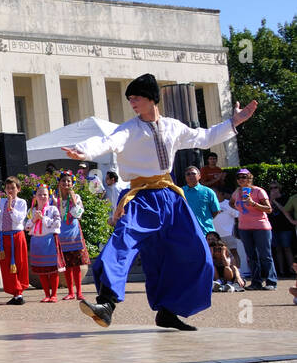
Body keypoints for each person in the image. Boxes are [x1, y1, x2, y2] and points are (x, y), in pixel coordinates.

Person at [64, 73, 256, 331]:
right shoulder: (129, 129)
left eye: (136, 97)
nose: (131, 102)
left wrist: (235, 121)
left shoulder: (173, 126)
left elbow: (205, 137)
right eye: (129, 98)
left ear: (152, 98)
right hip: (140, 196)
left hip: (171, 197)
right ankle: (106, 303)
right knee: (123, 242)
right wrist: (83, 150)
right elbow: (108, 141)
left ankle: (168, 311)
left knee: (196, 253)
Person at [231, 169, 275, 291]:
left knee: (265, 255)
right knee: (251, 256)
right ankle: (256, 282)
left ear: (249, 178)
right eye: (239, 177)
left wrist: (253, 204)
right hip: (244, 228)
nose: (241, 179)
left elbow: (269, 209)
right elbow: (231, 203)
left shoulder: (258, 191)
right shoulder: (236, 192)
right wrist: (239, 211)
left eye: (244, 177)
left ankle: (271, 281)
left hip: (261, 227)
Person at [0, 177, 29, 304]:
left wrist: (10, 206)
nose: (10, 191)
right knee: (6, 265)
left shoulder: (21, 202)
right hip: (4, 237)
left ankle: (19, 292)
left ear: (18, 189)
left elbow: (18, 219)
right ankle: (15, 293)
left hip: (16, 236)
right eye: (8, 188)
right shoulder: (1, 201)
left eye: (13, 188)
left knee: (18, 263)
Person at [26, 184, 64, 302]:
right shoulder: (32, 211)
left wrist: (42, 218)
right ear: (35, 196)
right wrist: (34, 219)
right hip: (37, 241)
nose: (42, 196)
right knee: (41, 270)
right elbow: (27, 227)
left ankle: (54, 294)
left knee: (52, 269)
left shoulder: (53, 209)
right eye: (40, 194)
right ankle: (47, 294)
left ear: (49, 196)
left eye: (45, 194)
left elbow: (57, 224)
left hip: (49, 240)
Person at [56, 171, 88, 300]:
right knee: (67, 265)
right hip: (62, 234)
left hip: (74, 233)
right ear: (60, 183)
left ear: (72, 183)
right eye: (64, 181)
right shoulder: (56, 199)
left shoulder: (77, 197)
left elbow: (78, 214)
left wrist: (74, 201)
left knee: (77, 264)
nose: (66, 183)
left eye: (68, 181)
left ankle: (79, 291)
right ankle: (70, 292)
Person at [272, 183, 296, 277]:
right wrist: (271, 200)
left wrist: (275, 201)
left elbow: (285, 210)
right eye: (271, 188)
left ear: (279, 188)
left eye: (275, 187)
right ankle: (281, 271)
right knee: (278, 249)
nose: (273, 189)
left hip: (285, 227)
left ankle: (291, 270)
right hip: (274, 227)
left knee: (287, 248)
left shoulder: (286, 198)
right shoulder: (268, 199)